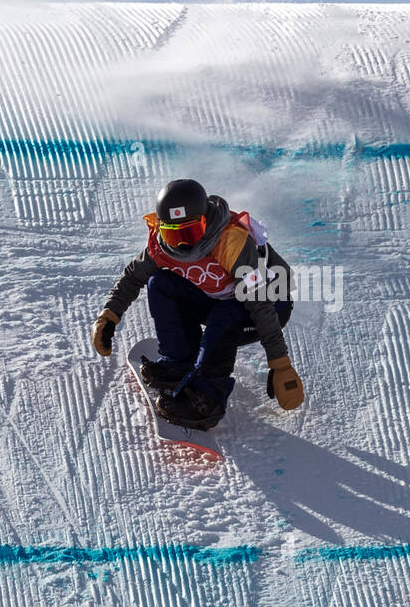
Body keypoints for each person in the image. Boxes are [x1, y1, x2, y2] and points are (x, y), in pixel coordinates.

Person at [92, 179, 304, 429]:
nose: (183, 244)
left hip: (271, 304)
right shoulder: (162, 246)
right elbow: (133, 275)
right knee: (160, 283)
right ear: (162, 228)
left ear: (205, 221)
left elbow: (260, 305)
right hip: (221, 299)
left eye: (189, 233)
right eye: (174, 234)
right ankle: (179, 362)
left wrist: (280, 364)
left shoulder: (231, 243)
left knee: (225, 316)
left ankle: (208, 398)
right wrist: (110, 315)